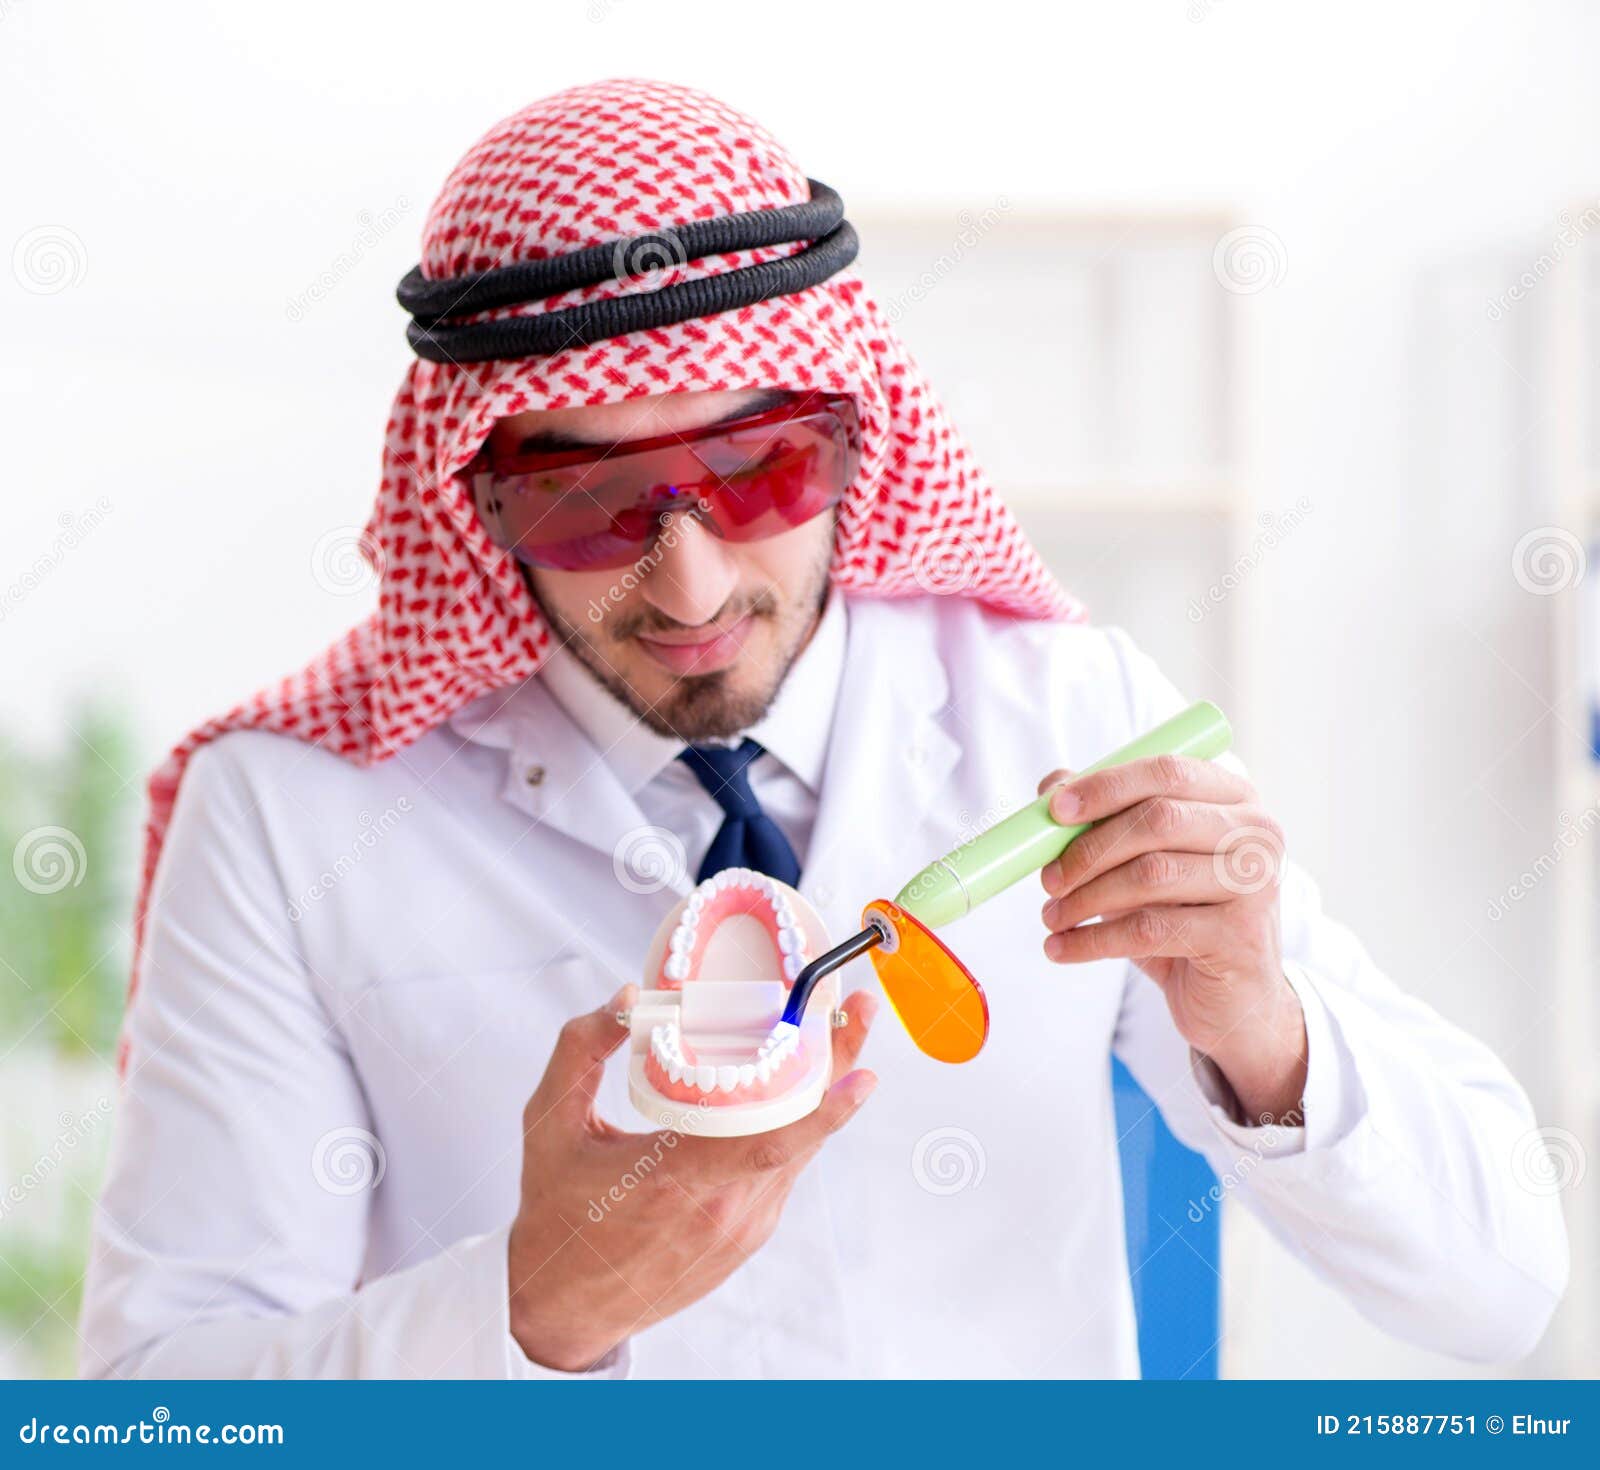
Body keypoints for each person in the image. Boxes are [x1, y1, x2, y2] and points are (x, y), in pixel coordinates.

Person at [79, 79, 1567, 1380]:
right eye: (592, 500)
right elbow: (163, 1404)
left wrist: (1263, 1022)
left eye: (758, 471)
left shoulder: (1067, 724)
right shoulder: (289, 817)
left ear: (857, 436)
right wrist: (527, 1311)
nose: (692, 579)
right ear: (481, 497)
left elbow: (1498, 1287)